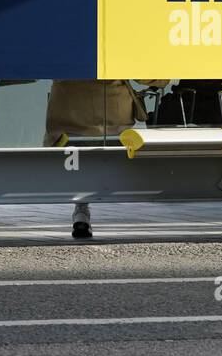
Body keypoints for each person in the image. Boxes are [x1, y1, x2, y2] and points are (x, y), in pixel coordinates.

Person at [45, 79, 169, 238]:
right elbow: (147, 76)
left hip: (66, 128)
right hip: (113, 127)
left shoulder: (66, 62)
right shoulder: (110, 61)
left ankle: (81, 208)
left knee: (81, 156)